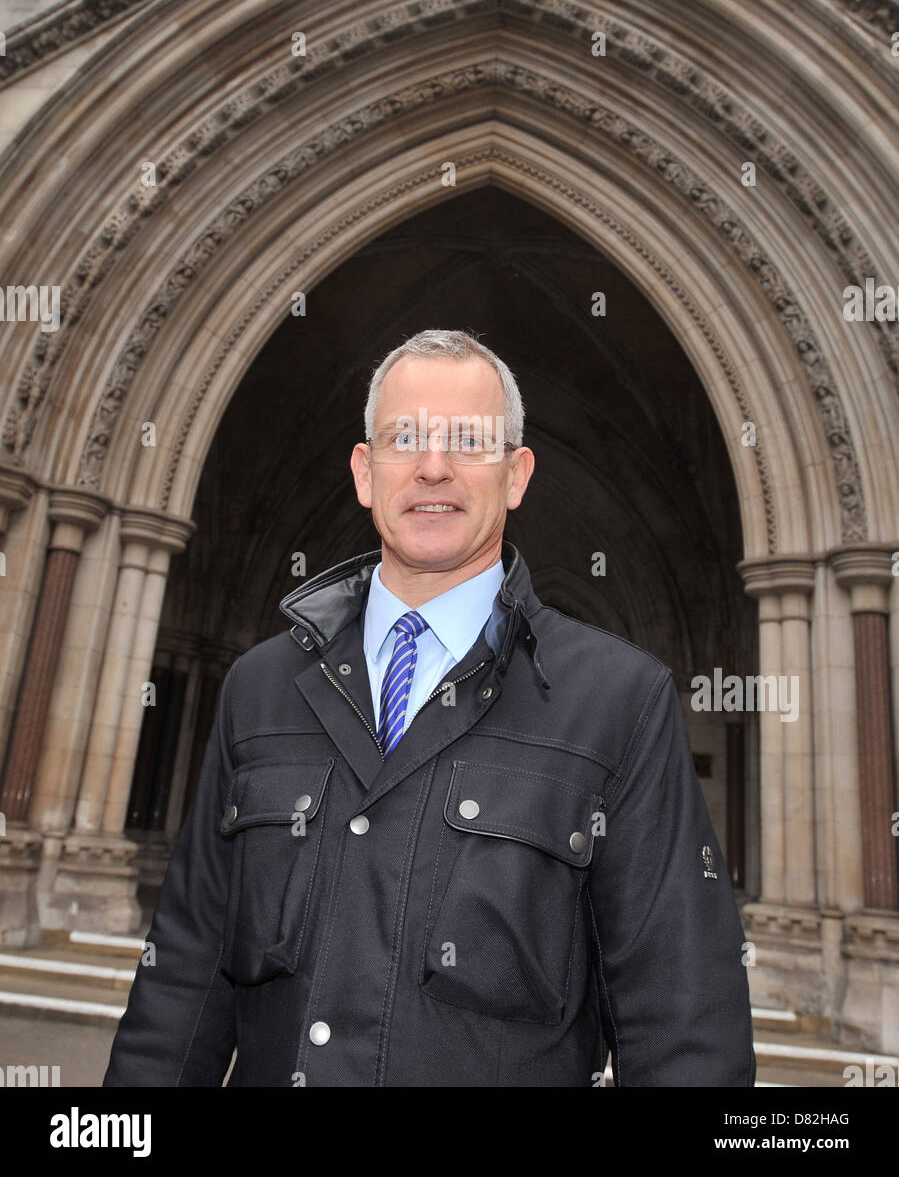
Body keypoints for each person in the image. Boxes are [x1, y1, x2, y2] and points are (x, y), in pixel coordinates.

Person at [103, 327, 755, 1087]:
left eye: (469, 442)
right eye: (404, 436)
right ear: (364, 471)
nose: (434, 466)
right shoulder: (259, 687)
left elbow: (682, 1025)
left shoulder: (618, 701)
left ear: (515, 476)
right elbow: (183, 981)